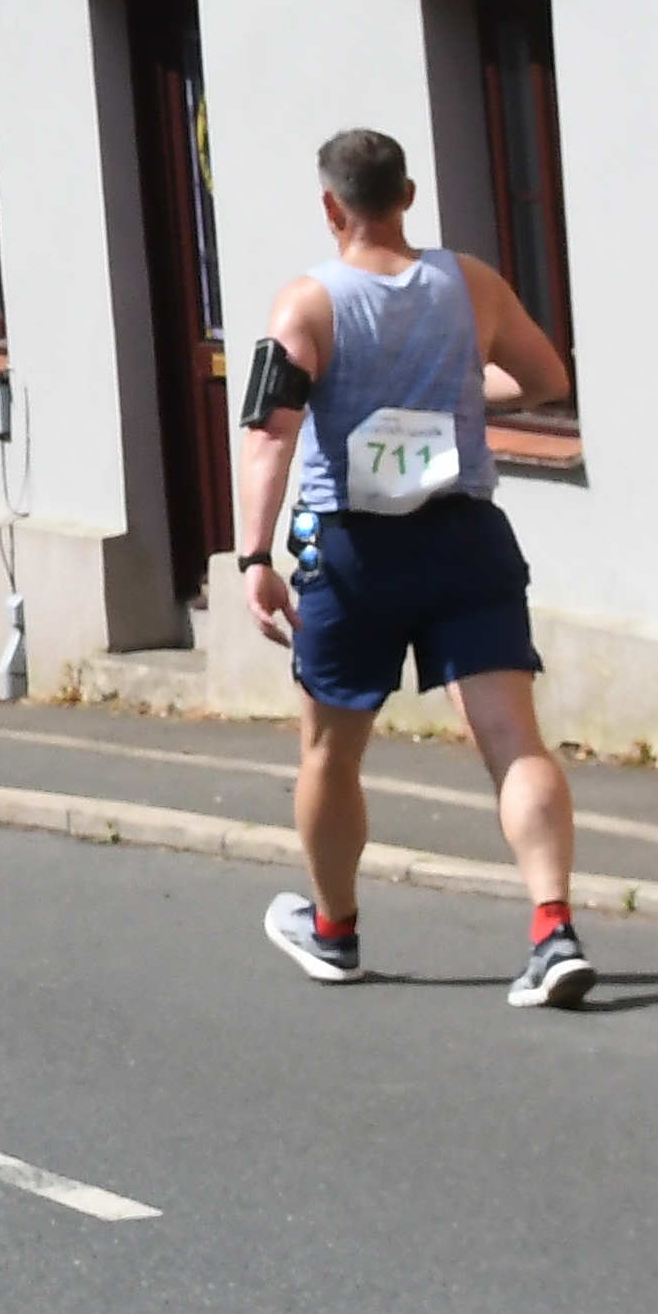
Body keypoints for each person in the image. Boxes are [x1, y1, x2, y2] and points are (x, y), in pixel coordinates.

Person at [236, 129, 593, 1010]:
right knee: (515, 740)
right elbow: (546, 378)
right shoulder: (471, 283)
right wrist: (466, 391)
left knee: (330, 749)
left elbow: (267, 437)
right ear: (410, 193)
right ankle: (553, 928)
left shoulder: (307, 305)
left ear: (331, 206)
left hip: (343, 544)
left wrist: (253, 555)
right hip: (464, 532)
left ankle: (334, 930)